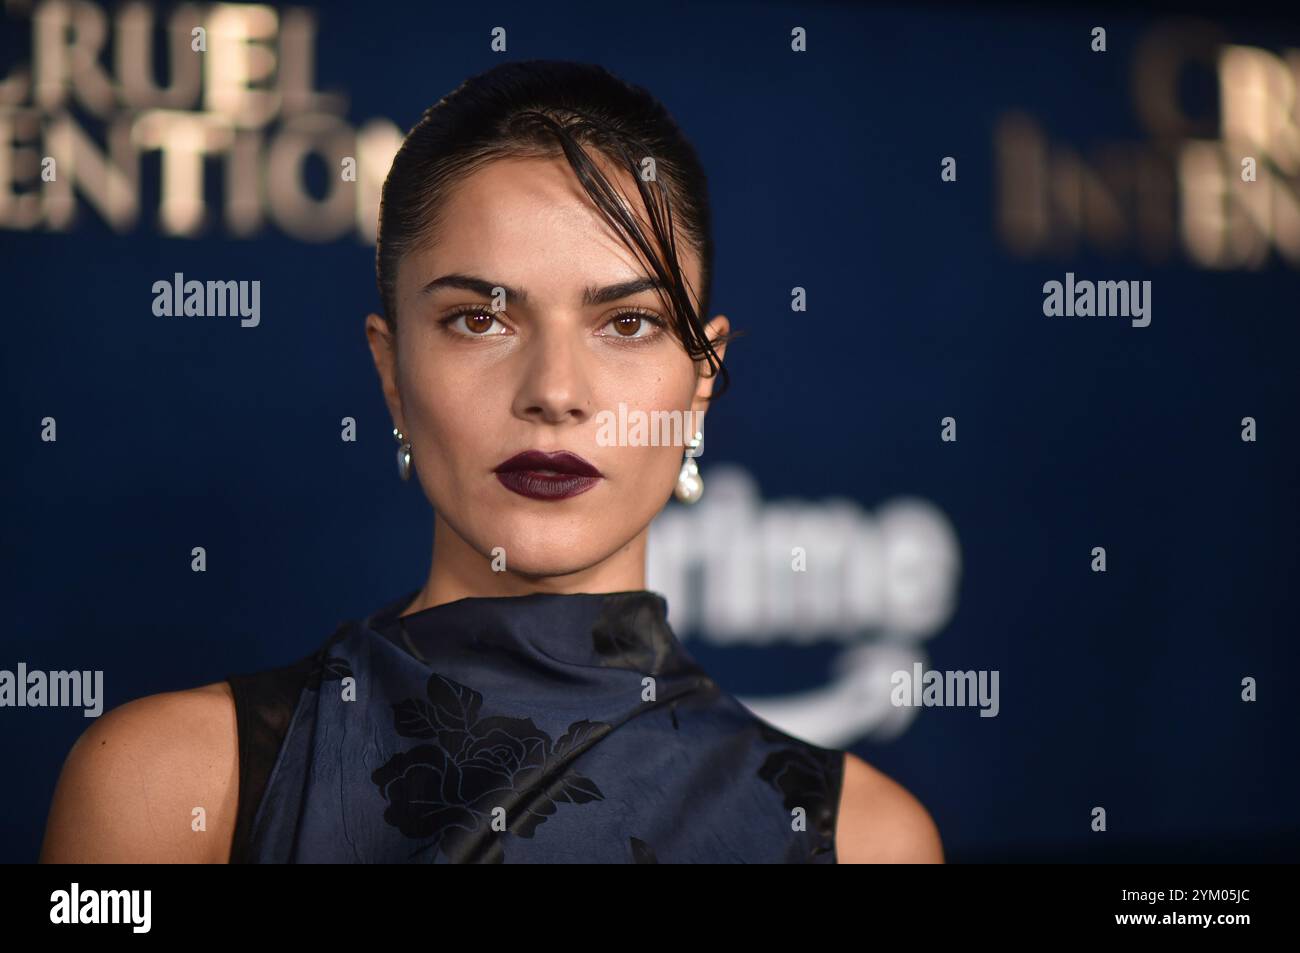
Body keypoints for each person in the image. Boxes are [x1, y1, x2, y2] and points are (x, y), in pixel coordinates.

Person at [40, 60, 942, 864]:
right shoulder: (172, 788)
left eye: (627, 322)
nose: (554, 390)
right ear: (391, 371)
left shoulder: (860, 838)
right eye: (481, 318)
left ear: (701, 380)